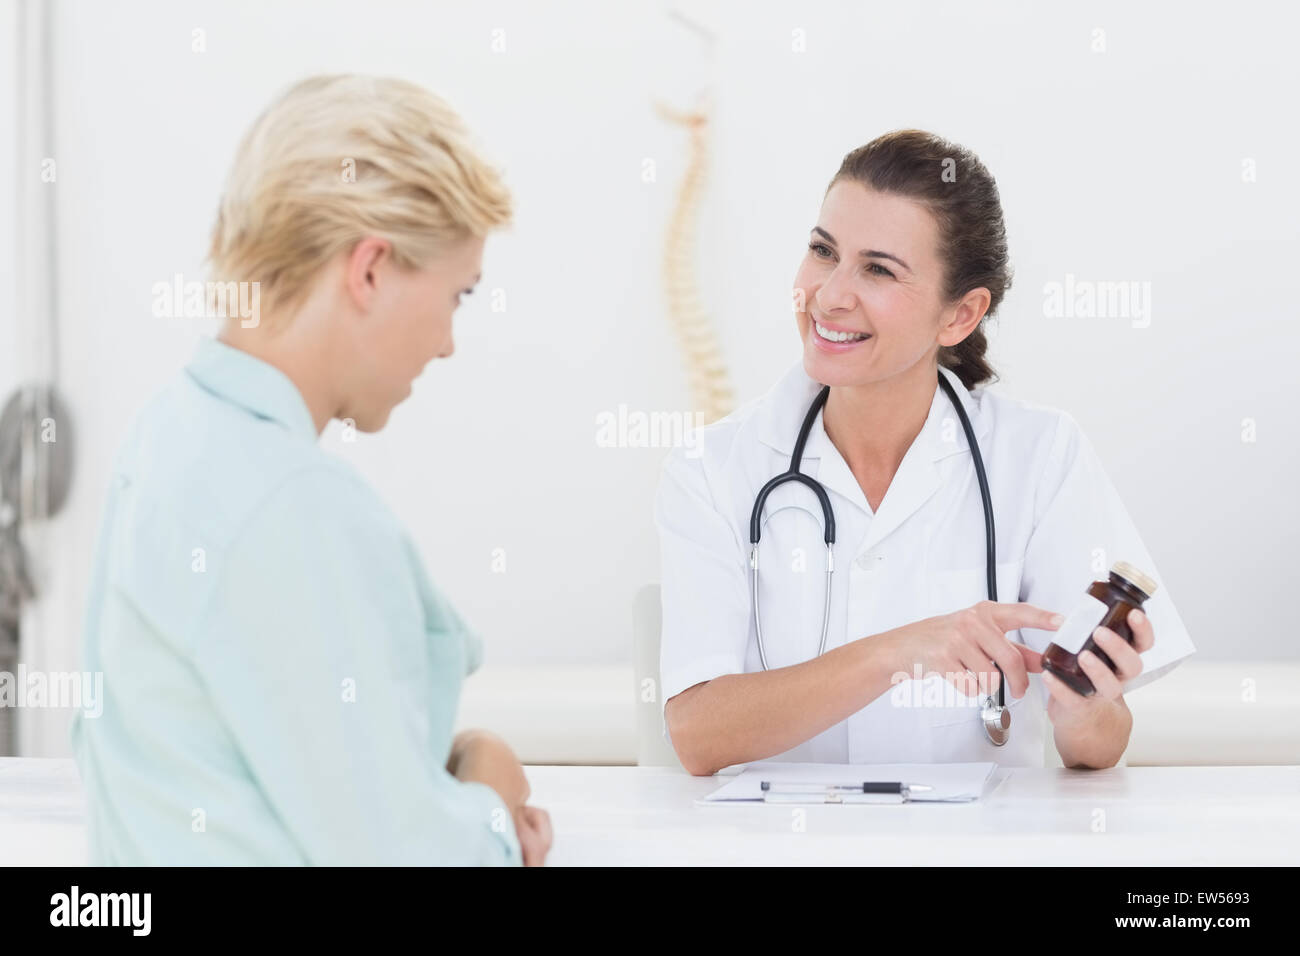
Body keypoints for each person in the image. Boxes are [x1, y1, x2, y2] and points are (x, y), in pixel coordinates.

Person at [70, 74, 551, 865]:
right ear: (369, 270)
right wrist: (491, 802)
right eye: (458, 297)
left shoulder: (164, 438)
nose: (446, 344)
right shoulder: (292, 504)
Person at [655, 129, 1195, 776]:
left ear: (960, 316)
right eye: (823, 251)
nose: (830, 294)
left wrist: (1084, 707)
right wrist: (897, 652)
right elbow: (696, 734)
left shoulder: (1040, 456)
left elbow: (1098, 748)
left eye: (878, 269)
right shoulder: (713, 470)